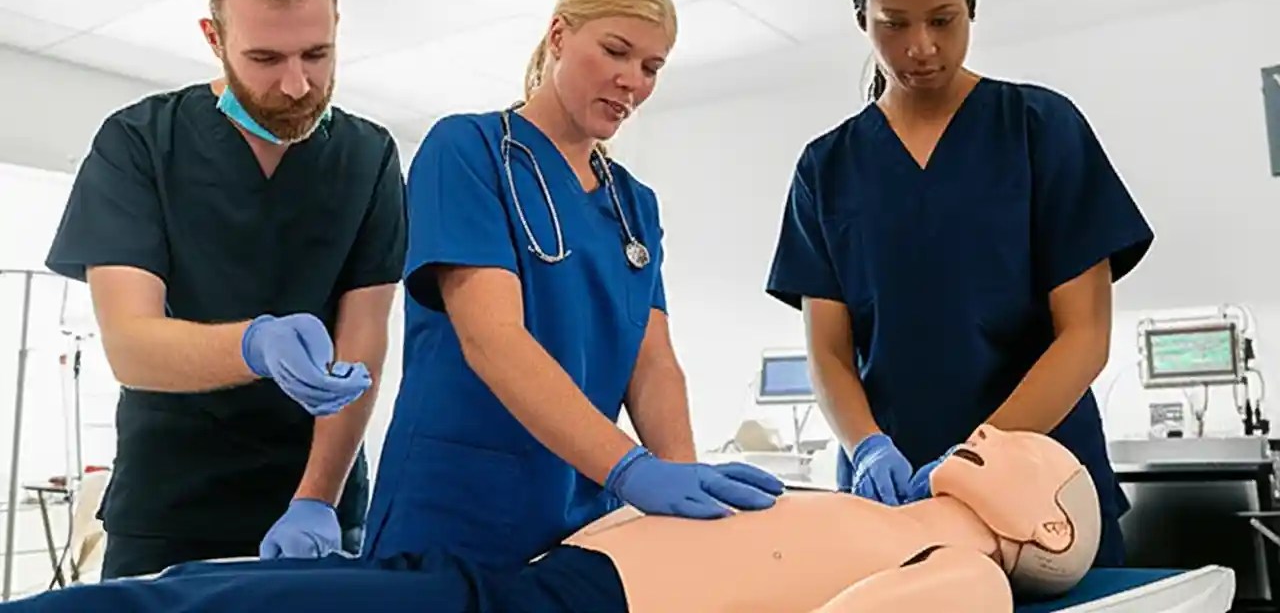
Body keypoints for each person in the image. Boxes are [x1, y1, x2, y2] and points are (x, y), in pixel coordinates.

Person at [764, 0, 1153, 568]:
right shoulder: (827, 168)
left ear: (971, 7)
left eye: (944, 21)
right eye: (894, 24)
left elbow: (1084, 335)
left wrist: (981, 451)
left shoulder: (1040, 129)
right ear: (862, 19)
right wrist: (867, 447)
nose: (921, 46)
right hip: (896, 505)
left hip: (1041, 491)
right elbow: (828, 352)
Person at [362, 0, 784, 570]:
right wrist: (629, 466)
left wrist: (689, 495)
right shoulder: (466, 152)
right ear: (559, 35)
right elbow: (492, 338)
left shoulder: (634, 206)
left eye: (652, 67)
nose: (632, 82)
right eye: (616, 51)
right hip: (453, 508)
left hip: (576, 518)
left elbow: (653, 361)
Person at [43, 0, 406, 578]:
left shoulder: (368, 156)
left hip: (317, 503)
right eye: (266, 59)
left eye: (317, 55)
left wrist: (316, 500)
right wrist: (254, 345)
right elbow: (131, 345)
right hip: (169, 508)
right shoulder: (139, 145)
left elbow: (364, 340)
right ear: (214, 39)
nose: (297, 85)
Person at [0, 426, 1100, 613]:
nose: (990, 437)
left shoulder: (969, 569)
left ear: (1045, 533)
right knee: (215, 584)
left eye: (1021, 458)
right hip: (544, 571)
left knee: (233, 602)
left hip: (569, 600)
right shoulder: (892, 511)